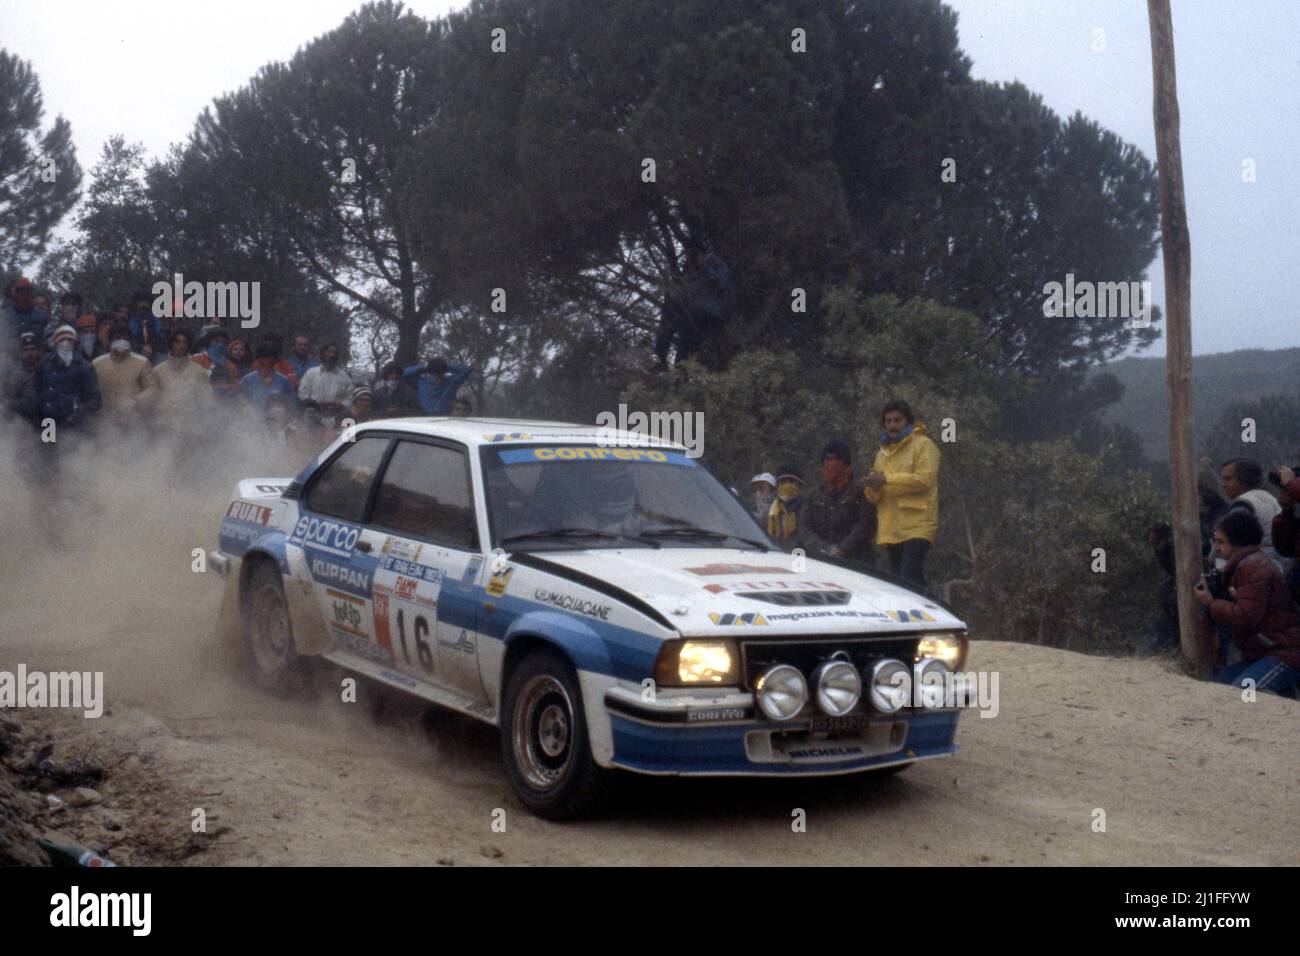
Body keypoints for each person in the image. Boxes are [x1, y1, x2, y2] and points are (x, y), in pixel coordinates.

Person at [1194, 509, 1300, 697]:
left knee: (1245, 694)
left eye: (1220, 542)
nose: (1216, 548)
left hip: (1284, 654)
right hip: (1263, 654)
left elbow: (1245, 616)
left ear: (1237, 543)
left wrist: (1211, 603)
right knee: (1214, 690)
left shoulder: (1254, 568)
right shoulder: (1242, 567)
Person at [861, 399, 940, 589]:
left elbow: (924, 480)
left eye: (897, 420)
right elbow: (873, 497)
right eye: (888, 421)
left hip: (917, 524)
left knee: (909, 578)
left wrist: (886, 479)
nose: (892, 425)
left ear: (907, 421)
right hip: (892, 529)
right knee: (899, 584)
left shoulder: (924, 445)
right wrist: (872, 486)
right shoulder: (882, 454)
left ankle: (931, 615)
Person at [654, 241, 734, 367]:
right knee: (682, 334)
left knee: (686, 331)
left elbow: (720, 283)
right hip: (700, 313)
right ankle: (664, 360)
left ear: (701, 253)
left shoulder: (715, 264)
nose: (691, 259)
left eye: (693, 255)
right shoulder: (695, 269)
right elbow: (692, 290)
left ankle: (667, 360)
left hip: (714, 313)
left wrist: (706, 266)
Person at [801, 439, 876, 562]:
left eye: (837, 466)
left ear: (847, 466)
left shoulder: (862, 491)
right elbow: (805, 529)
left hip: (858, 560)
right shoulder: (814, 495)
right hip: (822, 559)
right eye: (827, 465)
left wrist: (842, 549)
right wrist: (825, 548)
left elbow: (866, 524)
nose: (832, 471)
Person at [34, 325, 102, 430]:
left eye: (69, 340)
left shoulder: (84, 367)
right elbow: (37, 390)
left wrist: (77, 414)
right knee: (46, 446)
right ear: (55, 343)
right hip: (48, 422)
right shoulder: (44, 364)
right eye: (61, 340)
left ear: (75, 343)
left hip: (73, 425)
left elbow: (95, 399)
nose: (65, 344)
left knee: (70, 446)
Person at [1220, 458, 1283, 570]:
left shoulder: (1243, 504)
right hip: (1276, 566)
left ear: (1244, 480)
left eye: (1228, 479)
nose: (1223, 484)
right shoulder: (1270, 498)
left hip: (1254, 568)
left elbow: (1232, 543)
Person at [92, 322, 155, 422]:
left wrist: (135, 401)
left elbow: (152, 388)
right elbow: (92, 392)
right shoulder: (97, 364)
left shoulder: (142, 362)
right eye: (118, 338)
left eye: (125, 338)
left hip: (134, 420)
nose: (121, 341)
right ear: (111, 340)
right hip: (105, 420)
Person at [151, 328, 211, 421]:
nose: (181, 346)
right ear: (171, 344)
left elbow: (206, 401)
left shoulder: (199, 371)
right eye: (177, 342)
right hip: (163, 425)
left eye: (185, 342)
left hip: (190, 426)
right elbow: (152, 401)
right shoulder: (158, 371)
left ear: (188, 345)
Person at [296, 342, 353, 420]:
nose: (332, 355)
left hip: (335, 418)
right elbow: (302, 393)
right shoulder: (311, 372)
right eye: (329, 352)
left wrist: (339, 405)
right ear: (323, 353)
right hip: (312, 418)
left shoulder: (344, 376)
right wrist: (316, 404)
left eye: (335, 353)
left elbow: (350, 397)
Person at [401, 355, 470, 415]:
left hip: (445, 416)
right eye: (434, 371)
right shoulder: (420, 383)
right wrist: (426, 367)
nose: (437, 374)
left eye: (440, 371)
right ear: (429, 372)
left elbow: (467, 370)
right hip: (424, 416)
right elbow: (403, 374)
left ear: (444, 371)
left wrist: (444, 366)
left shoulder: (451, 382)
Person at [241, 341, 297, 413]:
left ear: (275, 360)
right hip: (252, 422)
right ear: (258, 359)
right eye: (263, 358)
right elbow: (241, 404)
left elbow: (291, 405)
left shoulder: (284, 381)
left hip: (277, 421)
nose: (266, 361)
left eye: (270, 358)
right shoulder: (247, 380)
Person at [3, 278, 50, 349]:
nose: (25, 296)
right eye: (22, 292)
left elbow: (50, 341)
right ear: (16, 295)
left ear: (32, 295)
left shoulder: (43, 316)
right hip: (12, 358)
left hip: (39, 358)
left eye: (28, 292)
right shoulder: (4, 316)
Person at [4, 332, 41, 424]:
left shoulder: (45, 370)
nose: (30, 353)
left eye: (33, 349)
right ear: (21, 352)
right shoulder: (13, 373)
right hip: (22, 421)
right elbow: (8, 400)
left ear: (38, 351)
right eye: (26, 350)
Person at [767, 464, 805, 550]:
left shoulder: (807, 509)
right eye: (783, 482)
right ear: (777, 487)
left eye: (791, 482)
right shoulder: (770, 511)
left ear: (799, 486)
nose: (787, 486)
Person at [127, 291, 163, 361]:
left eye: (146, 302)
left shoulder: (155, 322)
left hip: (154, 355)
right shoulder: (130, 321)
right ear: (135, 304)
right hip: (135, 355)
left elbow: (159, 340)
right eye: (140, 302)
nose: (143, 305)